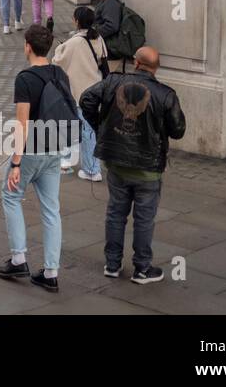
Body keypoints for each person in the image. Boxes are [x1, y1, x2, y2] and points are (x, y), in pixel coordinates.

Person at [80, 46, 186, 284]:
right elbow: (178, 129)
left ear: (136, 63)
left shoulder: (112, 82)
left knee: (115, 213)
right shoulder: (165, 94)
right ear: (156, 68)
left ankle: (112, 264)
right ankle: (142, 268)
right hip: (147, 168)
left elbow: (86, 99)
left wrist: (100, 127)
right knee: (144, 219)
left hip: (116, 162)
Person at [0, 25, 72, 293]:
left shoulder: (25, 78)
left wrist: (16, 162)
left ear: (27, 45)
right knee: (51, 209)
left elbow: (22, 124)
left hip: (31, 150)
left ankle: (19, 259)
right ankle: (51, 272)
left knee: (10, 196)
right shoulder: (59, 72)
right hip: (55, 150)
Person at [52, 5, 110, 181]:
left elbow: (57, 62)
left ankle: (90, 169)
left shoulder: (74, 42)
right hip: (95, 90)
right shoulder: (98, 38)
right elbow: (103, 58)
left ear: (76, 21)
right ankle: (81, 164)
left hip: (77, 92)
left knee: (75, 127)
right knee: (88, 128)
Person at [90, 0, 127, 70]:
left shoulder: (110, 4)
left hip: (108, 53)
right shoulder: (105, 2)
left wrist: (92, 34)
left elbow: (112, 26)